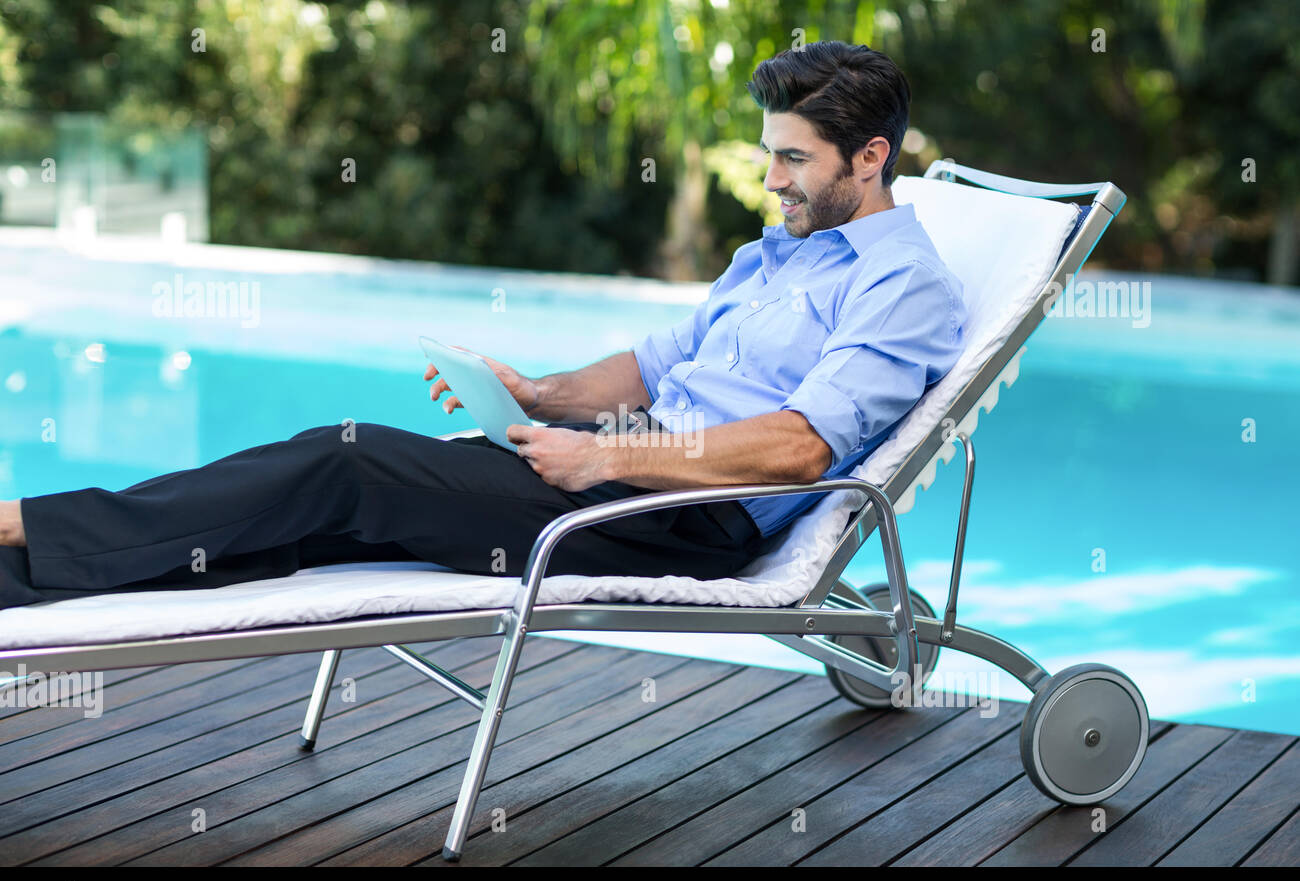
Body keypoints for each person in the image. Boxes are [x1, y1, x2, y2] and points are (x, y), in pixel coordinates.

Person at [0, 41, 966, 612]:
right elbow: (650, 363)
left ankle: (27, 526)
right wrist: (537, 393)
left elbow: (801, 450)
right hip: (624, 464)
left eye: (793, 159)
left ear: (870, 157)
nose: (771, 180)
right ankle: (20, 584)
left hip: (675, 513)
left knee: (348, 466)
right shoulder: (778, 252)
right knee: (329, 512)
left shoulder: (903, 287)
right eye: (771, 155)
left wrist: (607, 462)